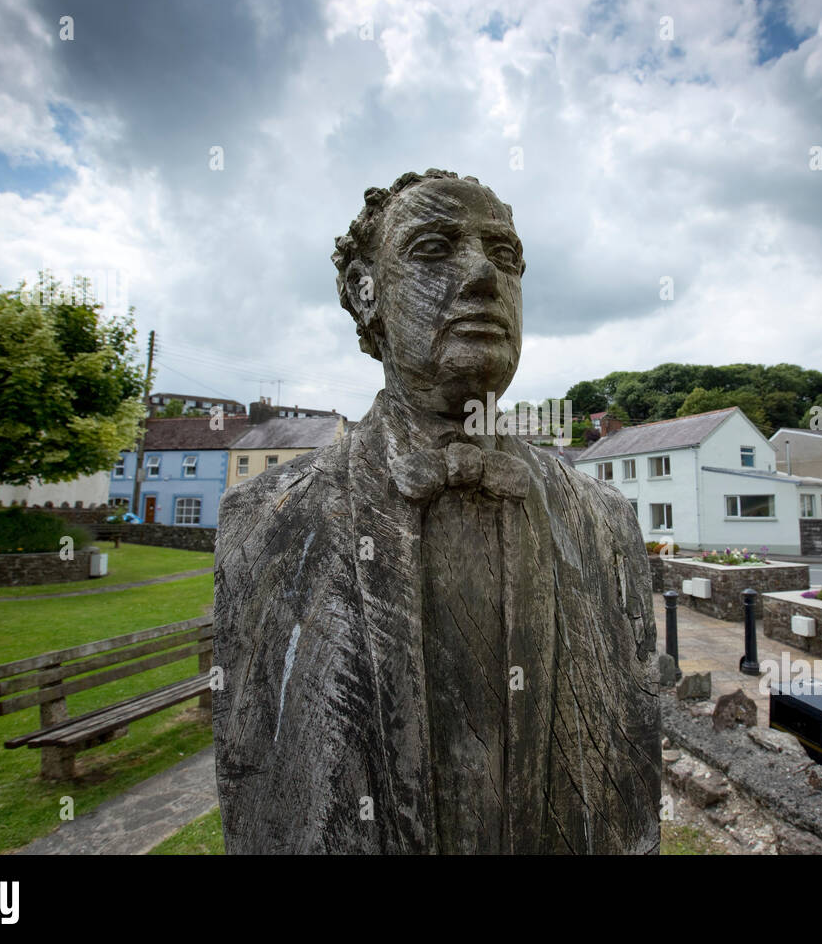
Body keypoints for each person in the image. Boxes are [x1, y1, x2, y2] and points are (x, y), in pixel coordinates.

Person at [213, 169, 660, 854]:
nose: (483, 274)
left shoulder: (607, 524)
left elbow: (628, 786)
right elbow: (256, 785)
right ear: (367, 295)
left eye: (505, 256)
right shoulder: (264, 524)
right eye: (433, 248)